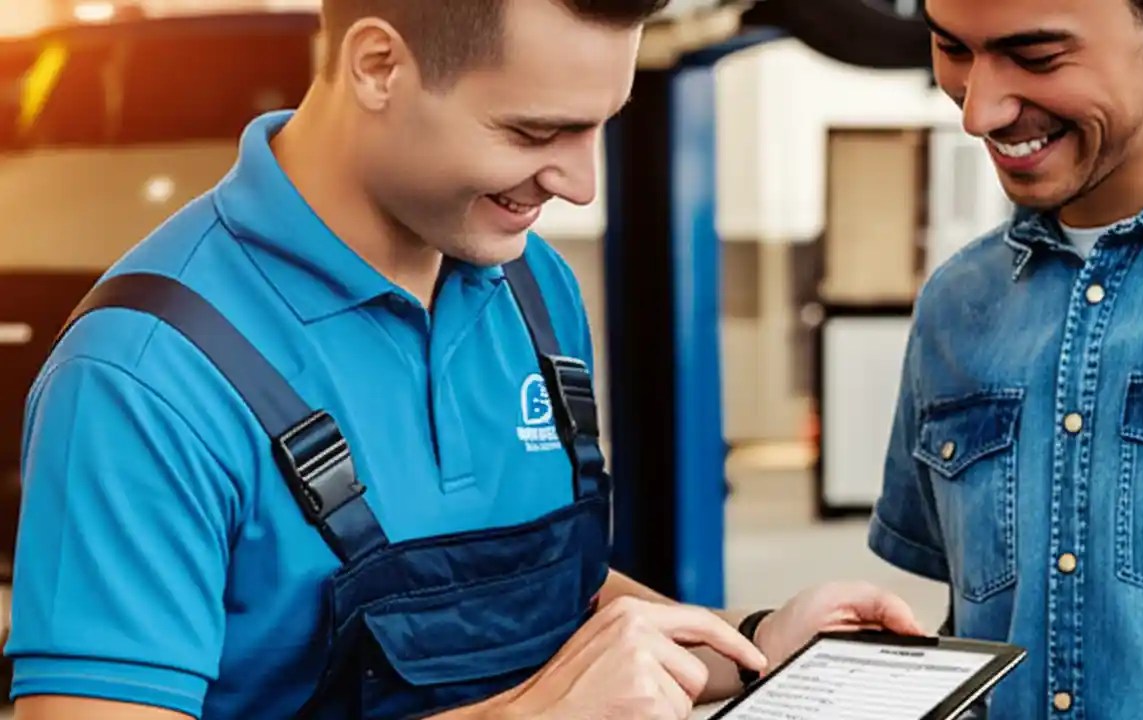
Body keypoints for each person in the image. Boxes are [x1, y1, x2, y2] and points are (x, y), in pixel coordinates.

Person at [7, 1, 925, 719]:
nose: (581, 182)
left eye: (599, 123)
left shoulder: (533, 290)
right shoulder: (143, 378)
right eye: (534, 133)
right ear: (378, 67)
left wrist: (758, 646)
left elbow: (530, 597)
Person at [870, 0, 1143, 717]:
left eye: (1037, 56)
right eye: (952, 50)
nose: (979, 111)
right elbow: (969, 630)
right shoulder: (957, 306)